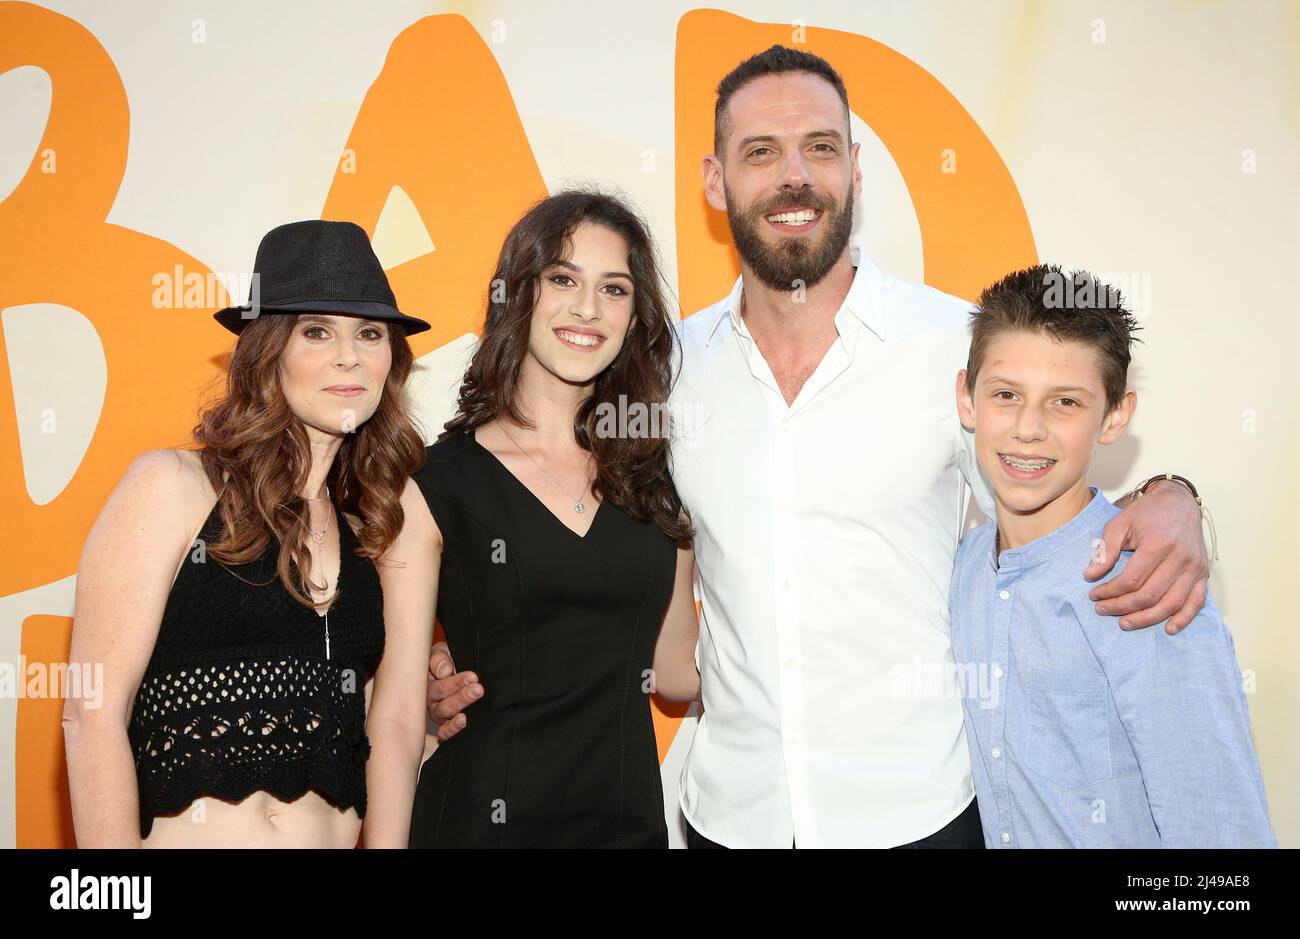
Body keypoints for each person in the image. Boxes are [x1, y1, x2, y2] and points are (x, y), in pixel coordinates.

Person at [432, 46, 1211, 849]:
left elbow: (1054, 484)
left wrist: (1174, 498)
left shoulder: (954, 344)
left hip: (920, 814)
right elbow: (567, 539)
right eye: (760, 152)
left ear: (856, 170)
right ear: (714, 178)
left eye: (821, 147)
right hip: (729, 819)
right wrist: (459, 670)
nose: (793, 177)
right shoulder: (661, 372)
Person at [63, 220, 436, 848]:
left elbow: (392, 727)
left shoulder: (382, 524)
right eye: (316, 332)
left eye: (369, 334)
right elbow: (91, 712)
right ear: (268, 352)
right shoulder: (173, 485)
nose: (349, 355)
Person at [403, 189, 700, 848]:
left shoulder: (651, 479)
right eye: (562, 278)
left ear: (634, 316)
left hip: (625, 829)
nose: (587, 307)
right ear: (518, 294)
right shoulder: (434, 481)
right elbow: (390, 699)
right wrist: (421, 698)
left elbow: (677, 669)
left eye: (614, 289)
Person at [951, 265, 1275, 848]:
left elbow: (1225, 846)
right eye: (1006, 394)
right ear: (966, 399)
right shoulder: (965, 566)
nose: (1028, 429)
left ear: (1116, 416)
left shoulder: (1150, 587)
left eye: (1066, 403)